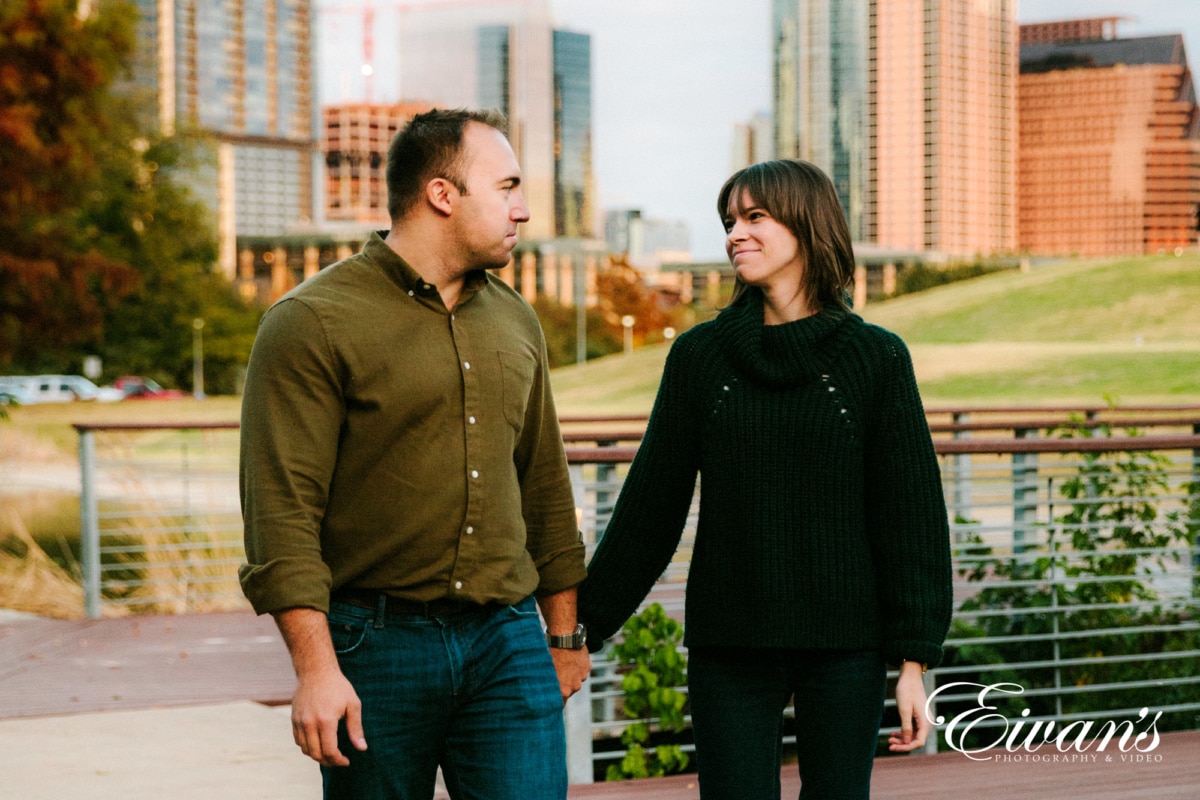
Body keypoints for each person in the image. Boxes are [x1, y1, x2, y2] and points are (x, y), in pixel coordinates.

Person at [239, 108, 591, 800]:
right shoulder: (309, 323)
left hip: (508, 639)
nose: (521, 211)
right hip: (375, 644)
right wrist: (316, 669)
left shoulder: (517, 321)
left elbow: (545, 486)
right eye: (508, 187)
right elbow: (282, 515)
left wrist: (563, 636)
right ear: (442, 195)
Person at [577, 159, 953, 800]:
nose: (734, 234)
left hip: (845, 648)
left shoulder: (876, 359)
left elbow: (909, 517)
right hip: (731, 645)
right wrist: (582, 628)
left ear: (807, 226)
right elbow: (651, 507)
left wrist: (913, 663)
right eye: (729, 221)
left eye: (755, 217)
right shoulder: (700, 358)